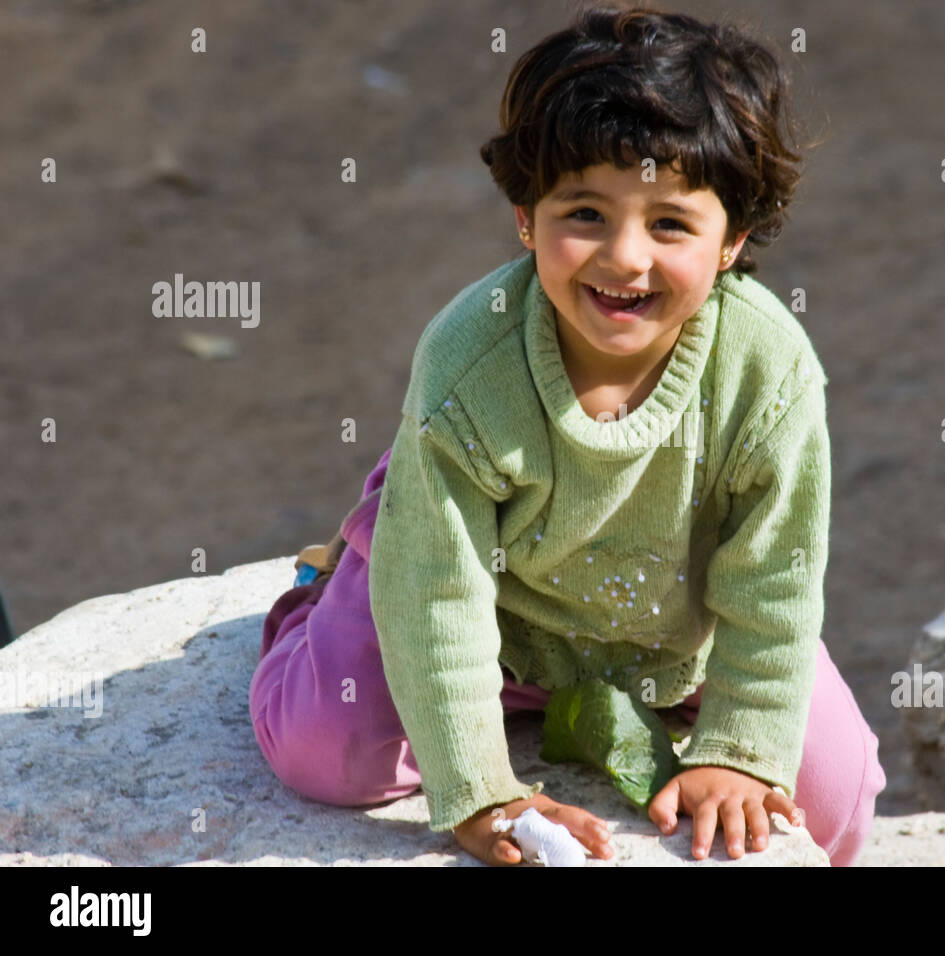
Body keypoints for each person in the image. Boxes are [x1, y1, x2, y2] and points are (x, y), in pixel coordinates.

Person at [249, 3, 885, 867]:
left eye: (670, 223)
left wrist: (740, 749)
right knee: (322, 753)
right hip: (491, 608)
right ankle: (322, 593)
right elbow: (440, 586)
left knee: (831, 798)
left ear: (732, 238)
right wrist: (480, 787)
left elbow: (775, 579)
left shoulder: (768, 372)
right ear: (525, 216)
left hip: (672, 639)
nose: (624, 258)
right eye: (584, 213)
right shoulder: (470, 359)